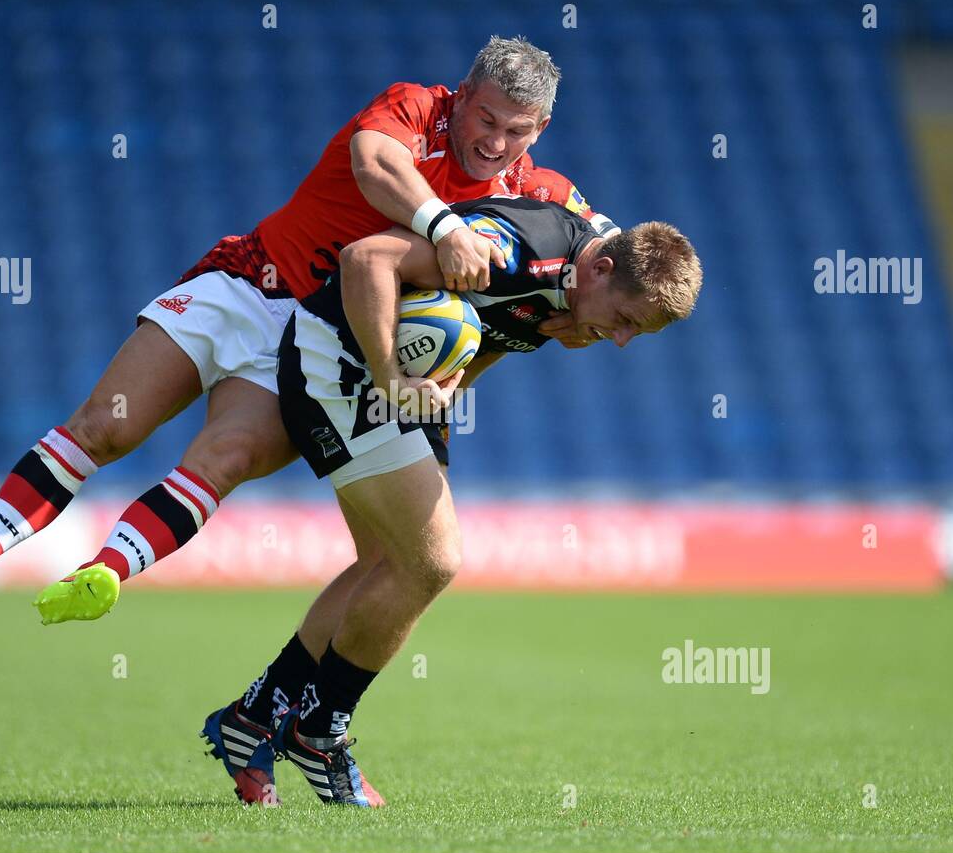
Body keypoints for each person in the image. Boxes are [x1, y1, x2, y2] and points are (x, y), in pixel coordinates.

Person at [0, 35, 617, 625]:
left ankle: (100, 573)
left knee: (223, 460)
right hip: (248, 282)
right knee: (107, 425)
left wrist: (584, 315)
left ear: (540, 131)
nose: (494, 142)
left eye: (515, 131)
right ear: (461, 96)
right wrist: (441, 226)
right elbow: (375, 165)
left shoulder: (541, 194)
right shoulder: (413, 105)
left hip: (313, 337)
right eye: (485, 119)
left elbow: (616, 254)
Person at [202, 196, 703, 806]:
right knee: (433, 560)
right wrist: (390, 377)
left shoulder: (591, 273)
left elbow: (491, 332)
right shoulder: (513, 248)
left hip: (401, 384)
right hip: (338, 359)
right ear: (599, 271)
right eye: (625, 319)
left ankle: (253, 719)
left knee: (386, 567)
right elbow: (366, 259)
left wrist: (445, 389)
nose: (621, 341)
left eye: (635, 333)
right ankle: (318, 734)